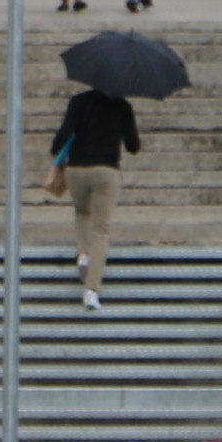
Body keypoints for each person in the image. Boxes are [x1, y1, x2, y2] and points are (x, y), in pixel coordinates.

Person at [45, 83, 140, 310]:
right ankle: (91, 290)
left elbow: (64, 133)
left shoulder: (78, 102)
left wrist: (56, 151)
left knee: (81, 211)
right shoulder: (122, 106)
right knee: (101, 229)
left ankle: (83, 254)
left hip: (77, 169)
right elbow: (133, 145)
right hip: (106, 170)